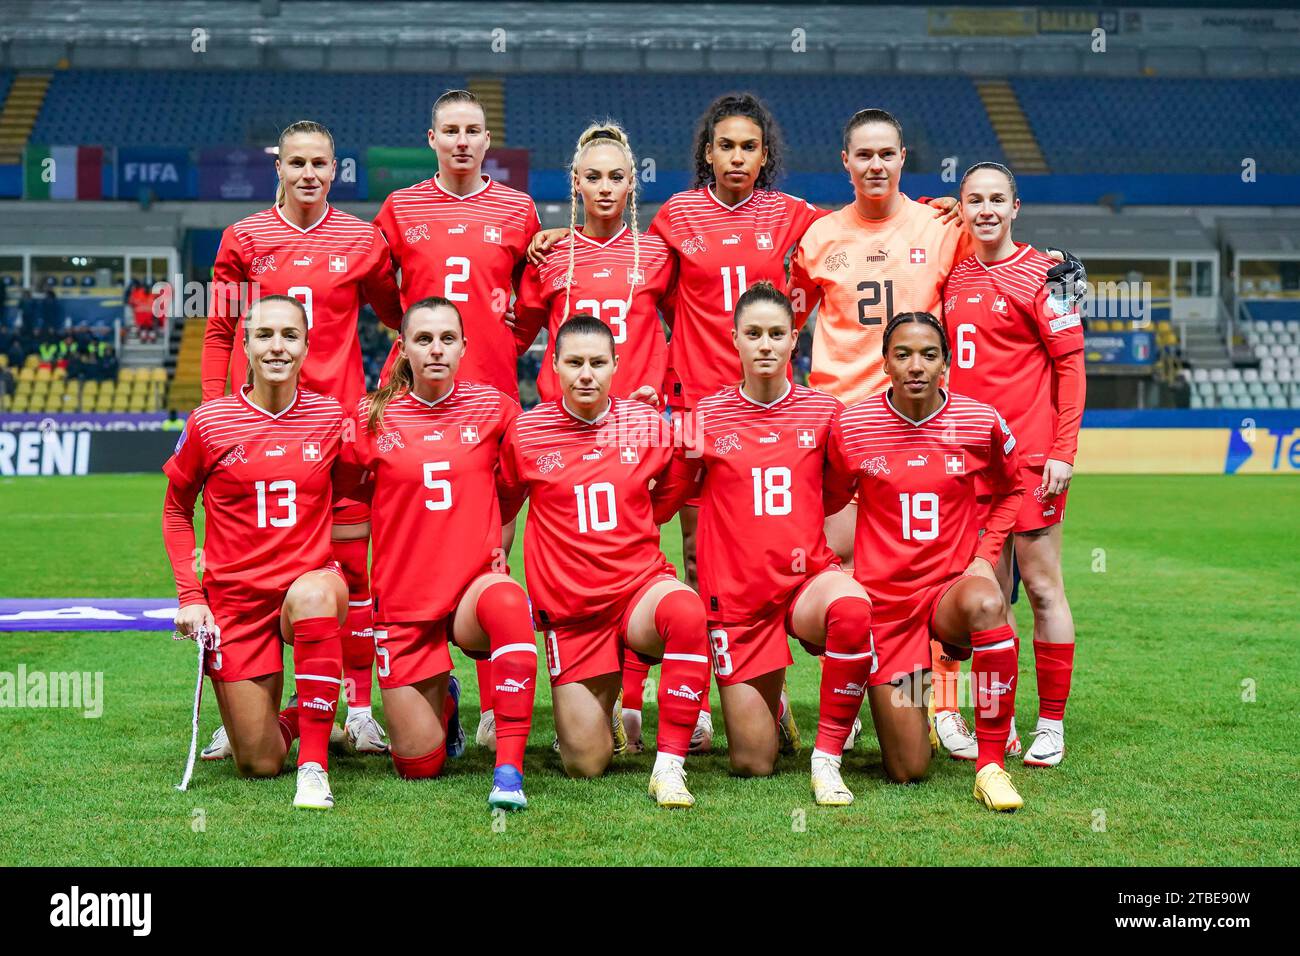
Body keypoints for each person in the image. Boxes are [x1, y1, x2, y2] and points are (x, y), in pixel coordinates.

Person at [788, 108, 1086, 758]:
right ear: (846, 160)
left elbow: (1059, 339)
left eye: (887, 153)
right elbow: (783, 320)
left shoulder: (943, 229)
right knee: (836, 572)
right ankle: (855, 695)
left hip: (942, 438)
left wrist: (1063, 268)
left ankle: (968, 713)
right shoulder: (819, 235)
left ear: (902, 159)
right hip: (848, 431)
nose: (875, 164)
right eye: (863, 154)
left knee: (968, 579)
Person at [200, 119, 404, 761]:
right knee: (237, 574)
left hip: (333, 436)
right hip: (251, 436)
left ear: (335, 170)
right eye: (297, 163)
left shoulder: (362, 240)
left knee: (350, 572)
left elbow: (402, 318)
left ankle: (361, 709)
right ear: (278, 169)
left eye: (320, 163)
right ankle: (245, 712)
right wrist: (212, 415)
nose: (309, 174)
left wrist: (381, 396)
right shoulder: (245, 238)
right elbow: (219, 330)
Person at [657, 283, 875, 804]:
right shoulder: (702, 419)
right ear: (733, 339)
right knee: (753, 763)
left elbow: (837, 493)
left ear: (794, 340)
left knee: (852, 607)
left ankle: (827, 759)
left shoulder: (824, 414)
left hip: (804, 583)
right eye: (752, 333)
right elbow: (665, 498)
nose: (765, 345)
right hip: (736, 602)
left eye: (777, 334)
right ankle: (773, 708)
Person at [373, 89, 542, 744]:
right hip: (414, 409)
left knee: (495, 546)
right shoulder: (400, 207)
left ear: (486, 140)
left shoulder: (519, 210)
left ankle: (500, 693)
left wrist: (506, 336)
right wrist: (415, 338)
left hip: (491, 395)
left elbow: (537, 292)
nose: (464, 140)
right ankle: (415, 677)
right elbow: (384, 296)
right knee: (405, 543)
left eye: (474, 130)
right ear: (433, 139)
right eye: (452, 130)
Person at [496, 315, 711, 808]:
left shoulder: (647, 425)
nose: (586, 374)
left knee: (685, 611)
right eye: (573, 363)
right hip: (572, 614)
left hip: (637, 590)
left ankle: (669, 767)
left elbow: (675, 485)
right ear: (553, 367)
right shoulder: (526, 433)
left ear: (615, 365)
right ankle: (610, 705)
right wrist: (495, 560)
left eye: (597, 362)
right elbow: (504, 503)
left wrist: (647, 516)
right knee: (585, 765)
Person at [339, 297, 539, 809]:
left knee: (511, 602)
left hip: (472, 592)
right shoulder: (370, 417)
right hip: (404, 603)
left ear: (464, 347)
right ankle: (445, 704)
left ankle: (509, 773)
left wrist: (491, 536)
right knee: (418, 766)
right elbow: (343, 491)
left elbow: (515, 483)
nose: (436, 350)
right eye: (423, 340)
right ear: (402, 348)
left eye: (447, 339)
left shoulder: (496, 410)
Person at [826, 312, 1026, 811]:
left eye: (929, 355)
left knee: (987, 601)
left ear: (946, 364)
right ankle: (919, 703)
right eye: (903, 354)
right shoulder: (853, 426)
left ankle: (991, 764)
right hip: (888, 608)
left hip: (948, 592)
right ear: (885, 363)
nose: (916, 365)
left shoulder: (979, 421)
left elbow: (1013, 488)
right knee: (908, 769)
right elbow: (826, 502)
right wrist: (834, 574)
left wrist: (984, 556)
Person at [163, 295, 350, 809]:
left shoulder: (331, 416)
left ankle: (314, 768)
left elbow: (367, 489)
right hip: (237, 600)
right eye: (264, 335)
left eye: (290, 336)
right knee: (258, 761)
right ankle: (305, 713)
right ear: (243, 345)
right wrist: (191, 596)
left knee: (313, 597)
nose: (277, 346)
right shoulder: (209, 422)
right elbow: (177, 511)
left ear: (307, 346)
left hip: (309, 586)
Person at [943, 162, 1086, 767]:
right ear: (961, 208)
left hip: (1029, 462)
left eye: (997, 199)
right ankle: (976, 720)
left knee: (1042, 585)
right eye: (974, 200)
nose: (986, 210)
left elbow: (1072, 369)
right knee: (978, 592)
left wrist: (1062, 453)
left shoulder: (1043, 275)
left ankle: (1050, 725)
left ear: (1016, 206)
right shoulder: (951, 278)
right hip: (968, 465)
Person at [513, 121, 676, 406]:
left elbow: (690, 327)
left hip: (636, 415)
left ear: (631, 182)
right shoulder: (549, 255)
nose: (605, 189)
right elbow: (515, 338)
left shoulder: (656, 253)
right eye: (593, 177)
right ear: (576, 181)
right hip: (563, 419)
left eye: (615, 177)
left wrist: (661, 380)